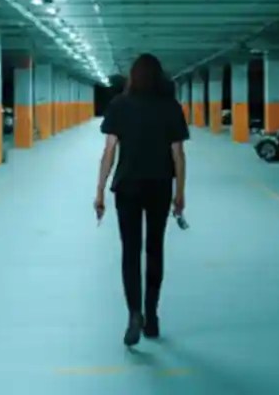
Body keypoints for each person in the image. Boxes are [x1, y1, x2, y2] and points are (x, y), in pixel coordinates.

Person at [94, 53, 189, 346]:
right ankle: (152, 316)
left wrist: (100, 191)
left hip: (127, 187)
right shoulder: (170, 107)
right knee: (155, 250)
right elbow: (178, 154)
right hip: (159, 186)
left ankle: (134, 313)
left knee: (130, 251)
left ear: (133, 76)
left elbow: (109, 151)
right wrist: (180, 192)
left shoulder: (119, 105)